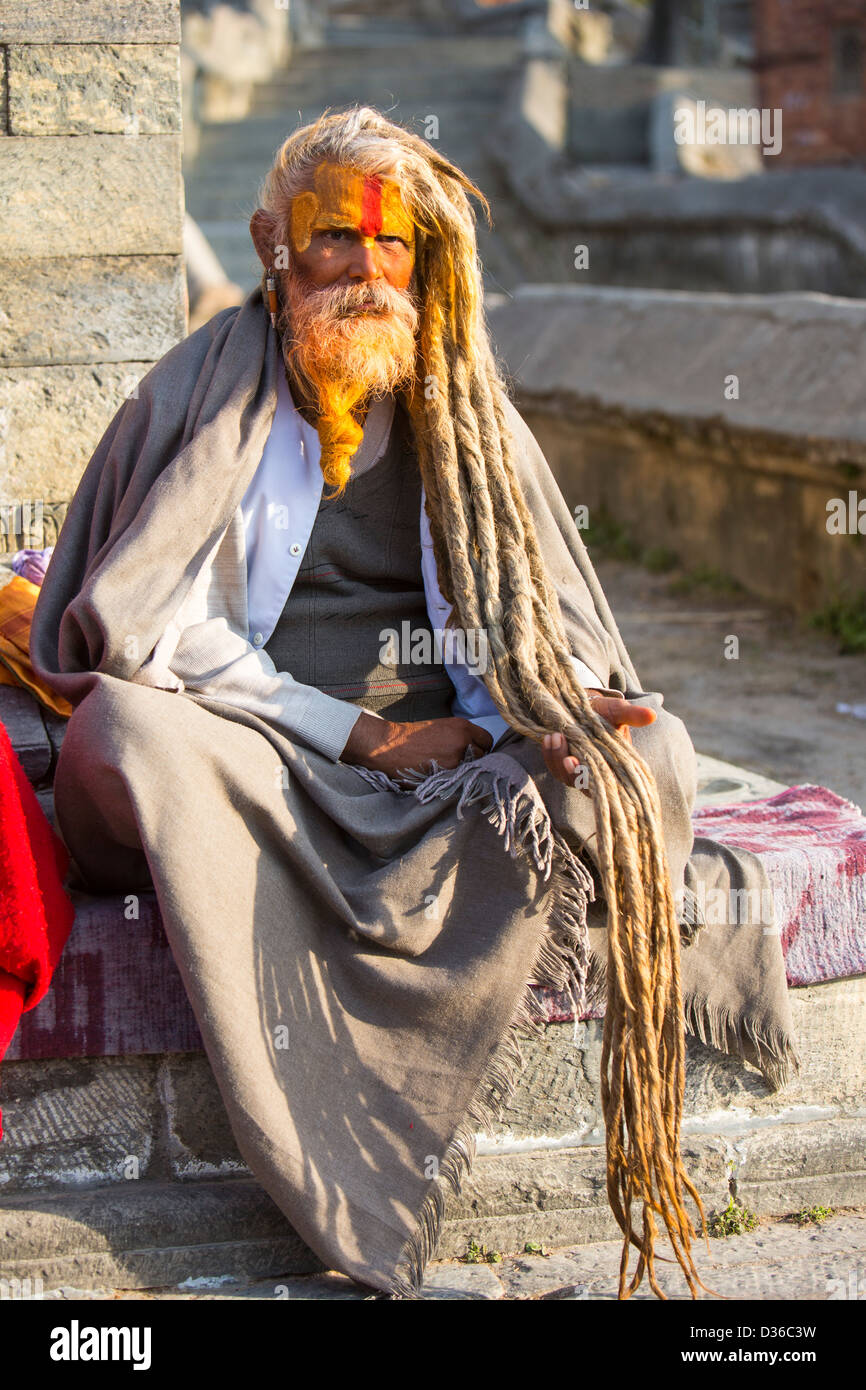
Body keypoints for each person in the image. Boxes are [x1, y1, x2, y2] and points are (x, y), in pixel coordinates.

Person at [29, 106, 796, 1300]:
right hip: (258, 762)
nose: (370, 270)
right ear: (272, 248)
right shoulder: (200, 389)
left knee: (647, 758)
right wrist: (361, 731)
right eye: (337, 238)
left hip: (452, 776)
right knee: (121, 734)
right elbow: (136, 633)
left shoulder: (468, 414)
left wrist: (544, 714)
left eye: (397, 249)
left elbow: (543, 631)